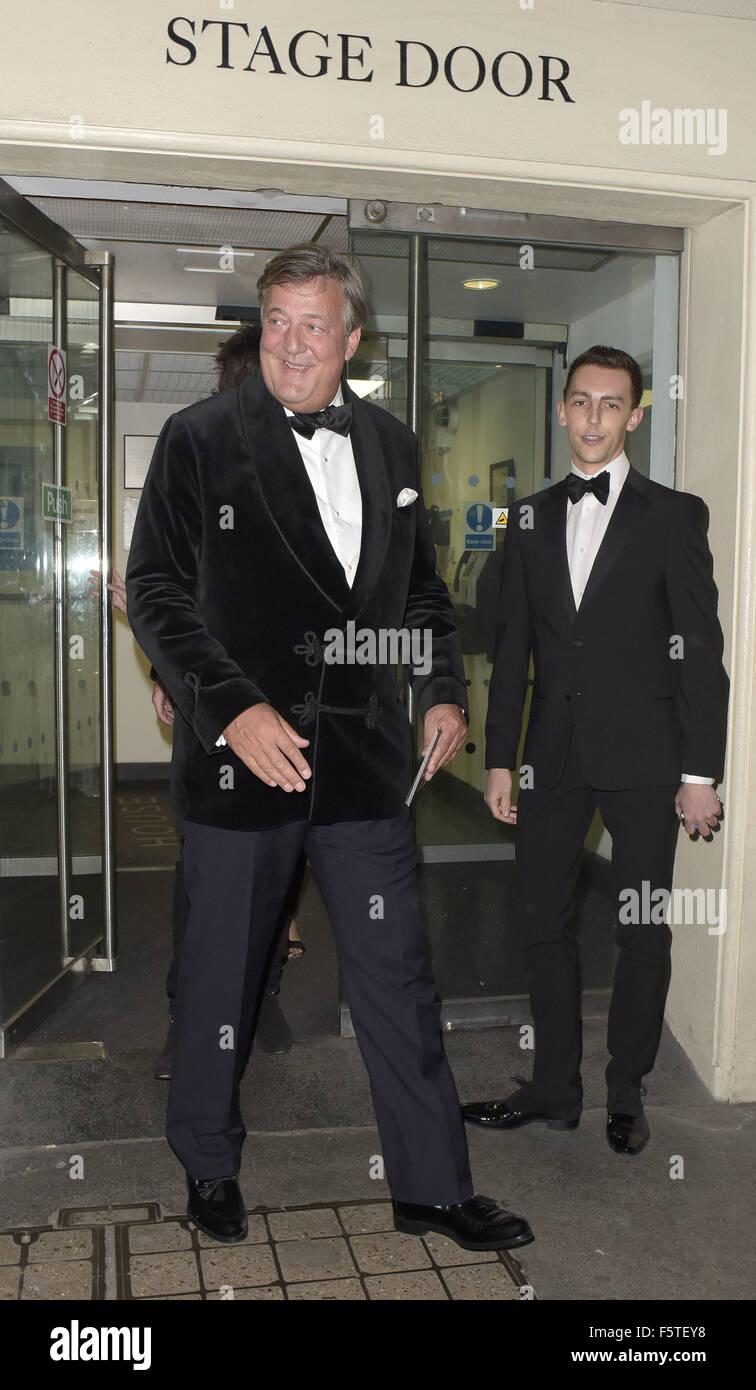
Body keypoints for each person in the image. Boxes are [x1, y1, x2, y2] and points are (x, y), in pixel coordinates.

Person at [125, 243, 533, 1250]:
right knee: (225, 972)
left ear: (354, 338)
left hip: (363, 767)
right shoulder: (198, 438)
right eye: (275, 320)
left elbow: (422, 594)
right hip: (242, 764)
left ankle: (432, 1185)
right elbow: (158, 592)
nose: (291, 344)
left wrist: (441, 692)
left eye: (314, 325)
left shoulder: (392, 445)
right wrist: (232, 708)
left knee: (399, 975)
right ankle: (209, 1162)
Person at [463, 345, 728, 1156]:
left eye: (611, 406)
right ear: (562, 409)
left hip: (650, 757)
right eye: (581, 402)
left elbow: (701, 651)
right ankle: (554, 1089)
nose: (593, 419)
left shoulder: (673, 515)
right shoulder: (531, 518)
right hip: (550, 755)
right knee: (543, 920)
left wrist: (699, 774)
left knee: (642, 925)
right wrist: (500, 759)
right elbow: (512, 651)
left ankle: (626, 1090)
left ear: (635, 417)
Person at [105, 323, 305, 1074]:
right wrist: (168, 682)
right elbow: (174, 599)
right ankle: (186, 1017)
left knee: (282, 877)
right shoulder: (198, 464)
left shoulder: (314, 475)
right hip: (214, 719)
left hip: (297, 721)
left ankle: (265, 997)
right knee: (203, 881)